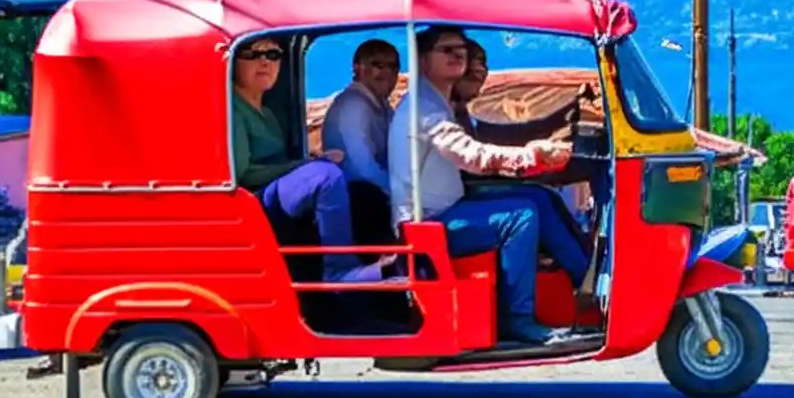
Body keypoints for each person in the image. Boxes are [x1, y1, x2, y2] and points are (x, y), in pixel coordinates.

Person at [387, 26, 574, 345]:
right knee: (521, 216)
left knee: (534, 197)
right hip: (428, 223)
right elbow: (470, 154)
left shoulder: (433, 101)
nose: (458, 54)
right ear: (421, 59)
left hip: (442, 210)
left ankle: (582, 280)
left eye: (461, 49)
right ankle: (518, 319)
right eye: (446, 50)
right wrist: (531, 156)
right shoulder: (425, 107)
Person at [231, 36, 388, 284]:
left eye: (273, 55)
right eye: (252, 54)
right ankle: (338, 270)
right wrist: (305, 166)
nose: (264, 62)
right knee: (324, 177)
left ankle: (387, 264)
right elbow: (243, 174)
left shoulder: (267, 112)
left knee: (360, 190)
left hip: (276, 192)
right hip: (251, 202)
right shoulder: (234, 110)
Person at [452, 38, 593, 288]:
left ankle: (584, 262)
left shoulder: (461, 111)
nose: (479, 74)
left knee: (544, 194)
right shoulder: (444, 112)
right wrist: (531, 156)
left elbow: (509, 134)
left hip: (468, 185)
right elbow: (475, 156)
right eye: (471, 69)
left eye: (482, 66)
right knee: (538, 199)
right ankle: (583, 276)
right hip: (461, 194)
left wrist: (562, 116)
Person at [321, 38, 401, 245]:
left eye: (393, 67)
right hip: (359, 204)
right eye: (378, 65)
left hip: (375, 197)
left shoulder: (382, 107)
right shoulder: (353, 106)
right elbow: (361, 166)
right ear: (357, 68)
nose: (386, 73)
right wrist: (401, 194)